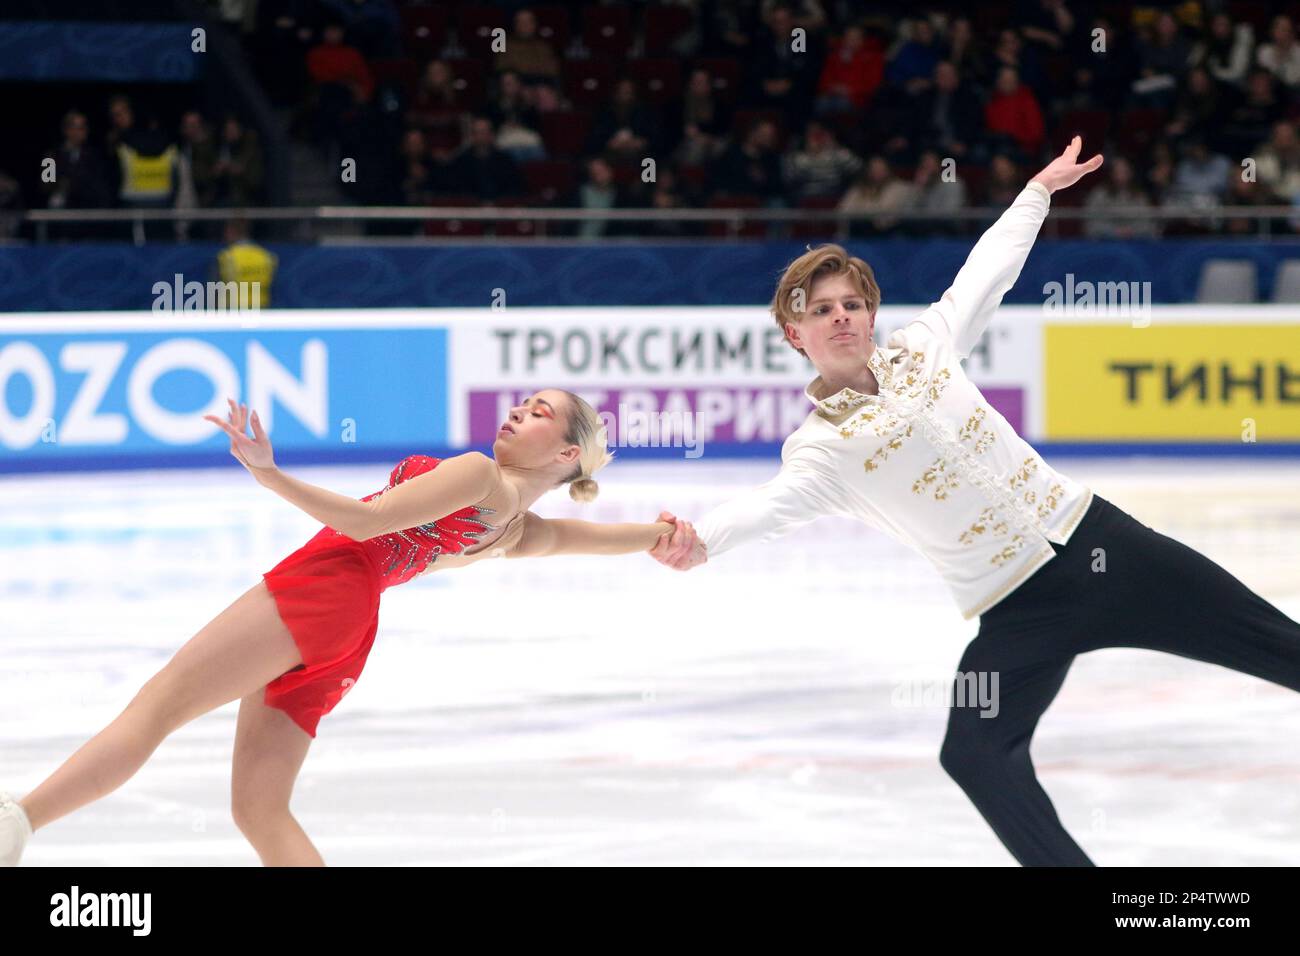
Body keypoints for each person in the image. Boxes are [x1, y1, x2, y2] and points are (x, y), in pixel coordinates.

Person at [650, 136, 1300, 866]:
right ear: (793, 333)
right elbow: (765, 509)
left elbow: (987, 267)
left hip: (1105, 547)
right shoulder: (818, 451)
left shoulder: (927, 344)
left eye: (853, 304)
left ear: (871, 315)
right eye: (822, 310)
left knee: (1285, 647)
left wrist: (1039, 191)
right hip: (1019, 608)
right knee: (974, 753)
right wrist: (698, 540)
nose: (841, 318)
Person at [1, 390, 683, 866]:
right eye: (523, 401)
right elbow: (585, 537)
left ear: (566, 456)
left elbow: (361, 523)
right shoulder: (515, 530)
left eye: (540, 414)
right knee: (260, 811)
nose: (518, 411)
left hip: (329, 583)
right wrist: (660, 534)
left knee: (157, 707)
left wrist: (271, 476)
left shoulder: (481, 477)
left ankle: (16, 825)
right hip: (350, 631)